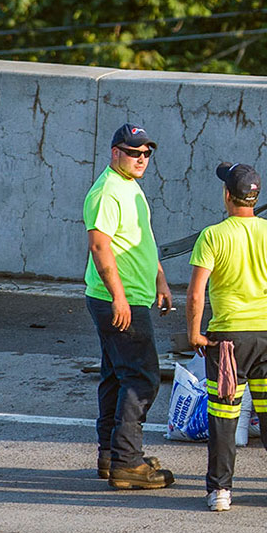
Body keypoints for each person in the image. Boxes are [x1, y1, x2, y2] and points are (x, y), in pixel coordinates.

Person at [185, 163, 267, 512]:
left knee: (223, 414)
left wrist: (194, 332)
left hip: (226, 340)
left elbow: (197, 293)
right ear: (255, 197)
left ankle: (220, 491)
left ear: (227, 196)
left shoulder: (213, 236)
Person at [84, 123, 174, 490]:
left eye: (146, 153)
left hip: (129, 295)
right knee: (141, 379)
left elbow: (141, 240)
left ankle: (111, 454)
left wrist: (160, 279)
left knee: (116, 376)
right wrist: (120, 296)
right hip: (118, 300)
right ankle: (128, 462)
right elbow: (100, 246)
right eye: (133, 152)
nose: (141, 159)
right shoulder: (107, 191)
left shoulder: (129, 187)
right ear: (114, 152)